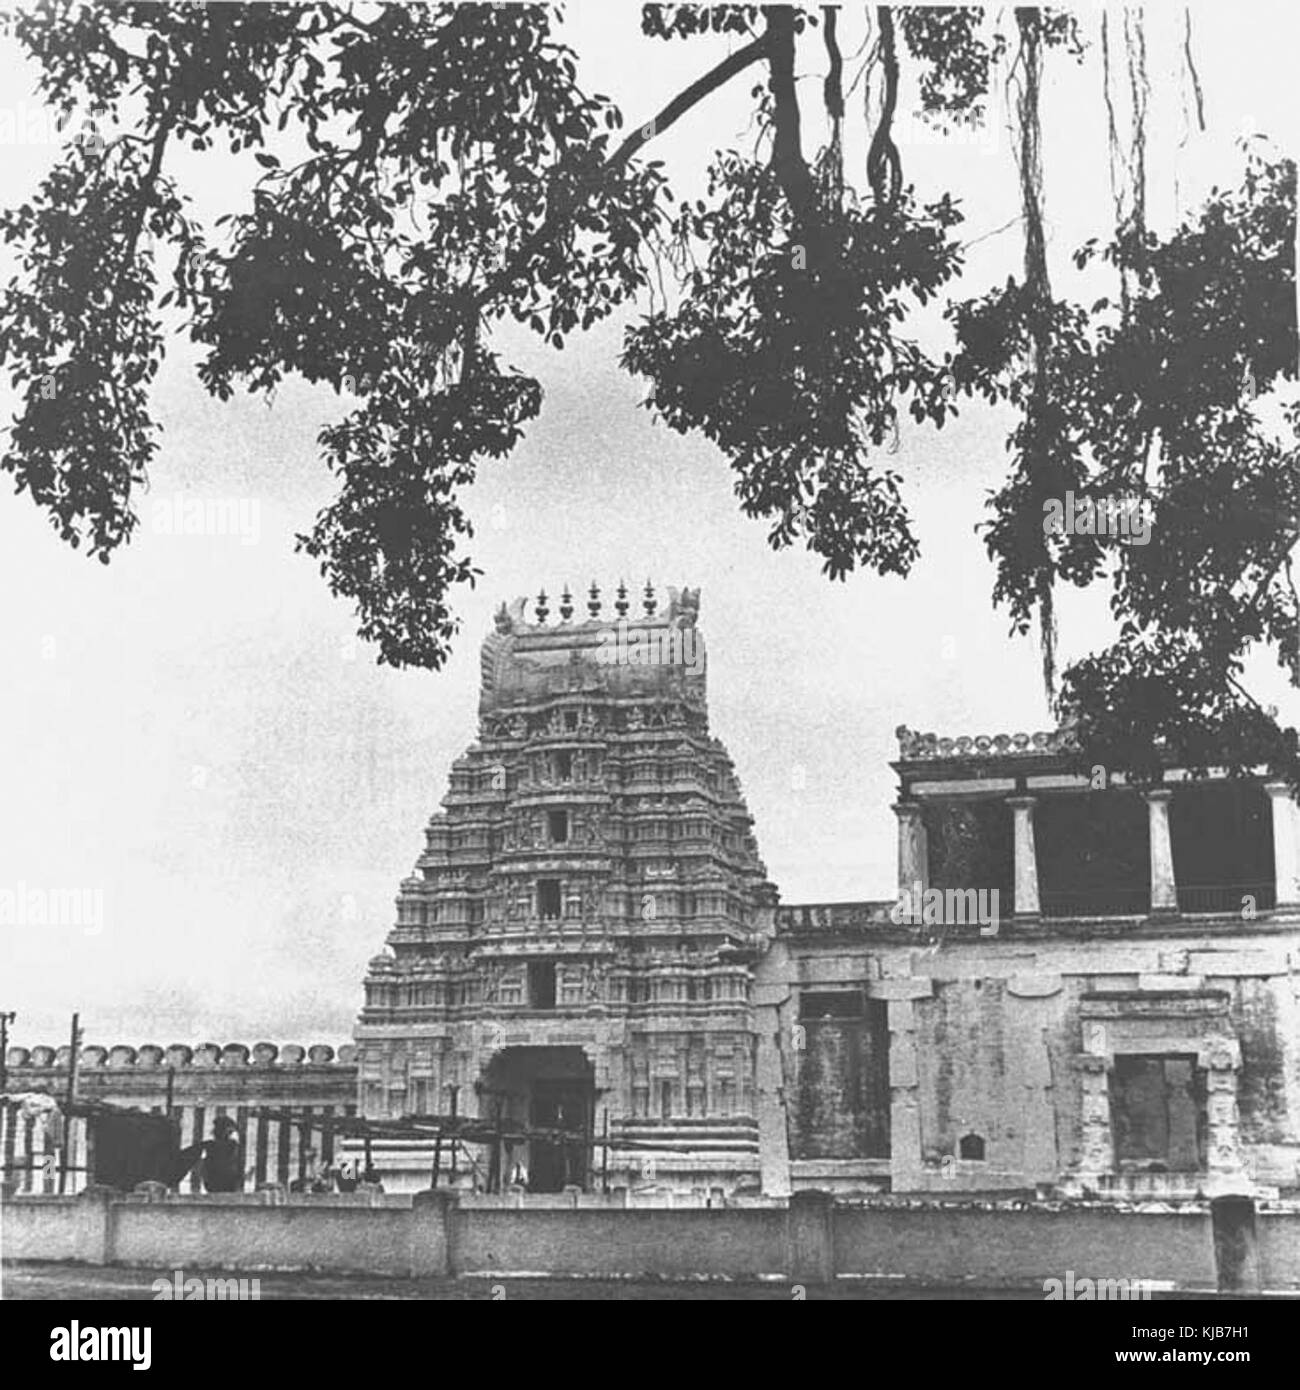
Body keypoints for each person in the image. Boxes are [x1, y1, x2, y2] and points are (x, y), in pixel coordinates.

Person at [198, 1116, 243, 1193]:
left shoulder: (210, 1146)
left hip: (212, 1185)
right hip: (230, 1185)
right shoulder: (233, 1145)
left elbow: (203, 1168)